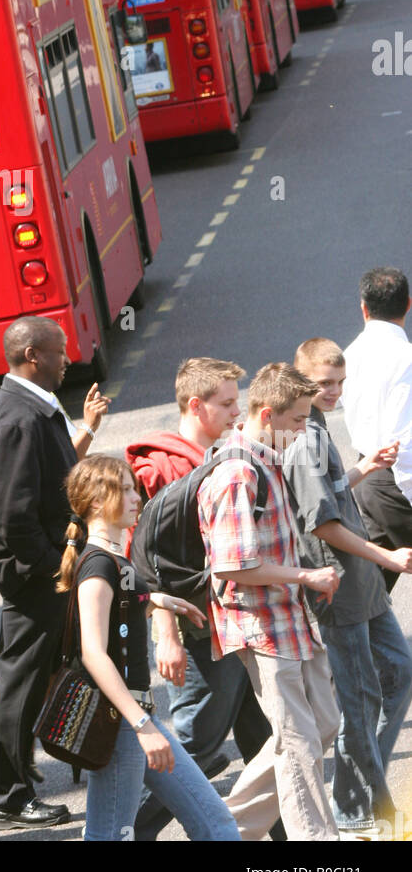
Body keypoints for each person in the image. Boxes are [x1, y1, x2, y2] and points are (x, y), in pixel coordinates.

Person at [125, 358, 274, 842]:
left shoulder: (213, 455)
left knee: (266, 739)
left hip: (230, 624)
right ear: (195, 405)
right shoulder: (164, 471)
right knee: (193, 746)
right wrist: (164, 632)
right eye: (228, 402)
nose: (238, 411)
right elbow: (145, 563)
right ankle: (125, 829)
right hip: (198, 631)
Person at [60, 454, 241, 842]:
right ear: (95, 502)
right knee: (111, 836)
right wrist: (141, 726)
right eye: (124, 490)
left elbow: (121, 604)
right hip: (125, 721)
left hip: (138, 716)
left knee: (217, 825)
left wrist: (155, 599)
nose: (135, 498)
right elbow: (94, 653)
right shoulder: (96, 566)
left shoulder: (113, 559)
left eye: (133, 489)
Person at [197, 362, 342, 841]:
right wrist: (306, 575)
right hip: (260, 623)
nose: (306, 430)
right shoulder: (238, 471)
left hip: (287, 615)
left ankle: (225, 829)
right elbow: (233, 566)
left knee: (318, 726)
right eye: (299, 420)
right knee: (298, 742)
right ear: (267, 414)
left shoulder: (264, 458)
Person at [0, 314, 109, 829]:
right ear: (33, 355)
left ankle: (22, 784)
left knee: (33, 679)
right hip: (37, 576)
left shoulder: (32, 407)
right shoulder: (18, 417)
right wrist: (53, 567)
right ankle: (9, 798)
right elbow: (8, 511)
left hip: (48, 568)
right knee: (22, 683)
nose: (68, 359)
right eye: (58, 351)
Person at [284, 337, 412, 838]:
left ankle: (360, 793)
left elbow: (332, 495)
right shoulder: (303, 437)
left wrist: (368, 466)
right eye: (324, 384)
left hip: (359, 583)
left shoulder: (314, 425)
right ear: (302, 381)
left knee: (397, 674)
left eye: (340, 382)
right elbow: (320, 524)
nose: (335, 392)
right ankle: (358, 807)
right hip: (337, 583)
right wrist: (387, 557)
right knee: (361, 699)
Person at [343, 267, 412, 591]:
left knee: (372, 586)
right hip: (397, 480)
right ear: (408, 305)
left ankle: (355, 641)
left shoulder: (351, 354)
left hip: (366, 478)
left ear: (364, 308)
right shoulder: (406, 357)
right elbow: (405, 438)